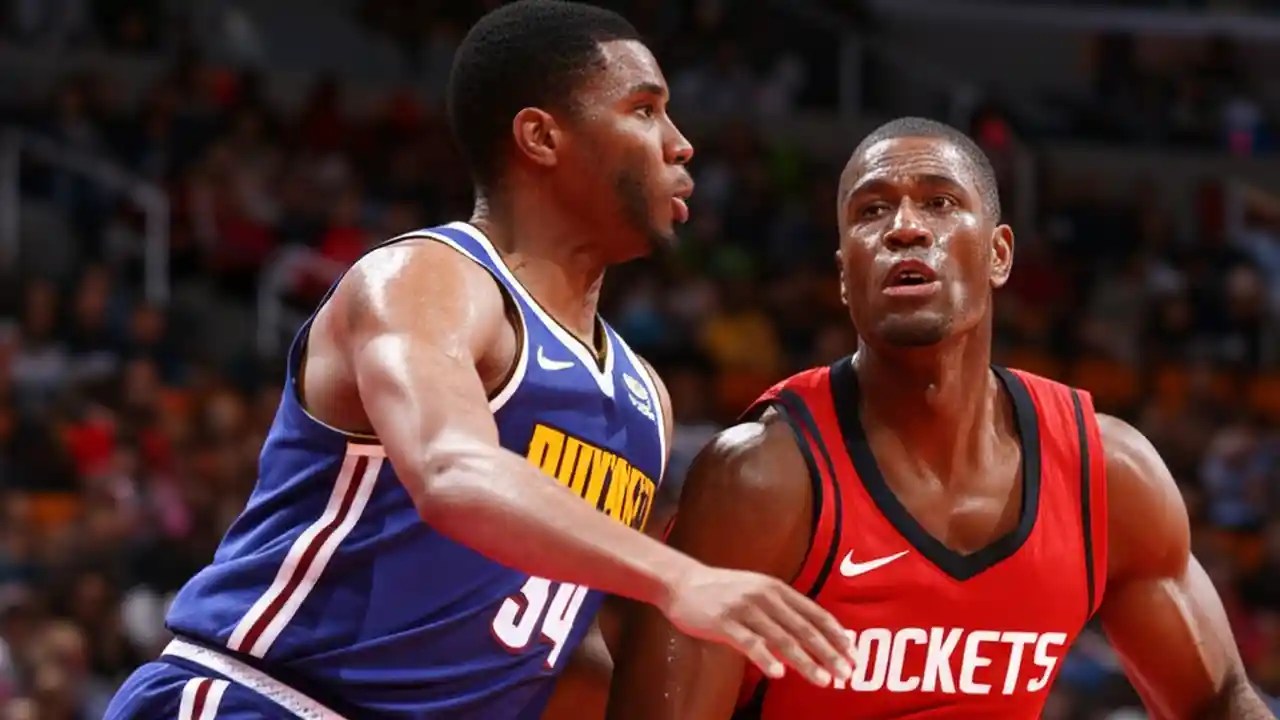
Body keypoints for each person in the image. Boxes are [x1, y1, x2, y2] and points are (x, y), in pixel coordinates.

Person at [104, 2, 853, 718]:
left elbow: (549, 644)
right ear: (540, 136)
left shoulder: (643, 398)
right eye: (645, 109)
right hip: (267, 699)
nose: (680, 143)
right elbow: (452, 471)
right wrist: (681, 578)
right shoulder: (430, 279)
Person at [607, 117, 1273, 719]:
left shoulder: (1107, 475)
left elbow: (1219, 702)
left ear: (999, 255)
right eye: (871, 212)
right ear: (845, 277)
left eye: (940, 202)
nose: (905, 226)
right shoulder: (761, 479)